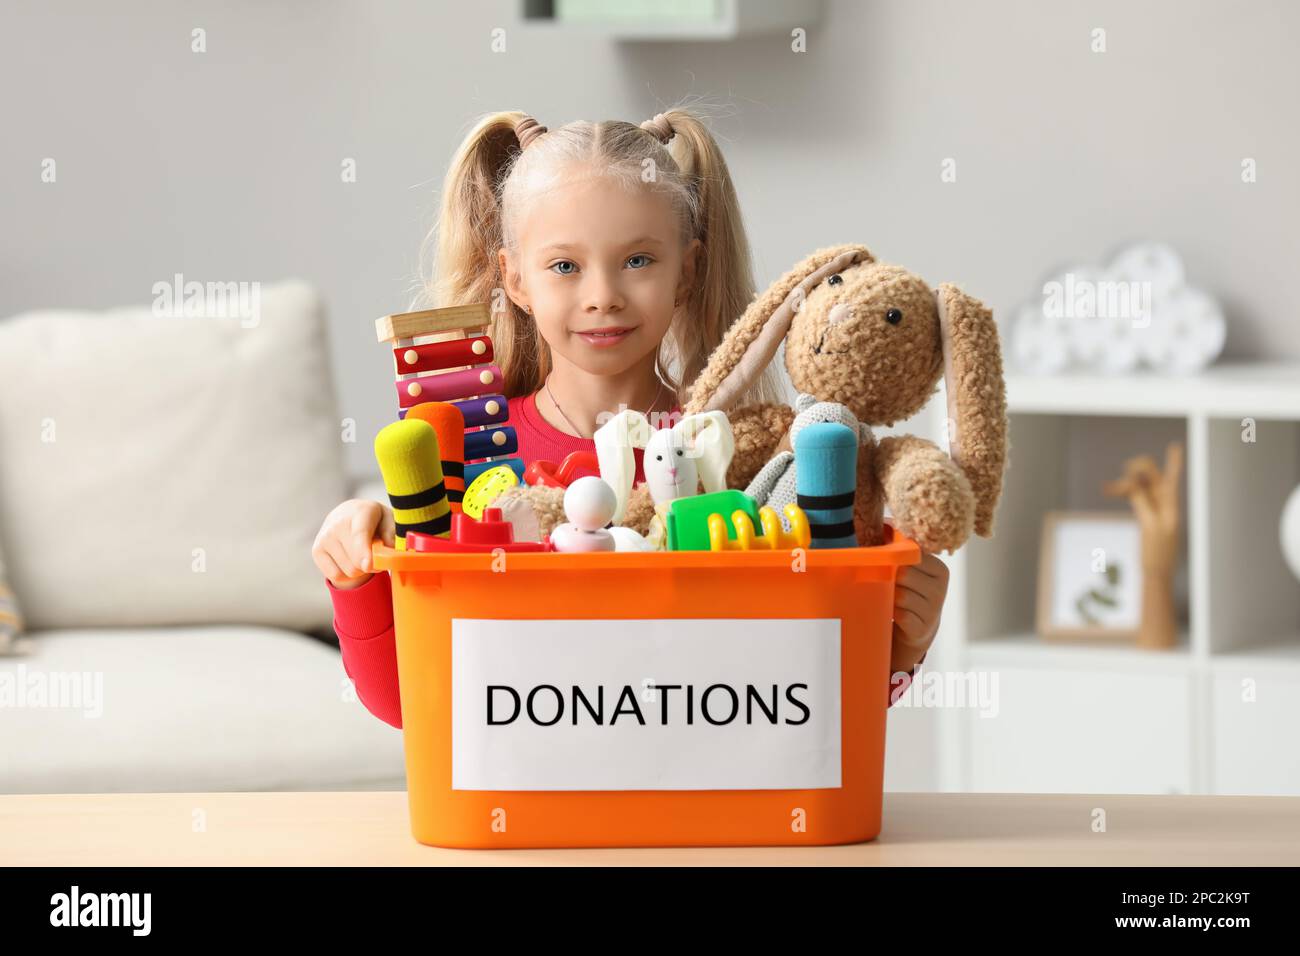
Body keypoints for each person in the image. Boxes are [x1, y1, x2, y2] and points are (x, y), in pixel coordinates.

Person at [312, 107, 946, 729]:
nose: (602, 295)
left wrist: (903, 644)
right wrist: (356, 574)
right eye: (564, 266)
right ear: (515, 280)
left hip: (697, 803)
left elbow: (806, 702)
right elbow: (408, 705)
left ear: (687, 270)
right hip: (528, 811)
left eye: (638, 260)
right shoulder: (470, 459)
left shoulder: (741, 459)